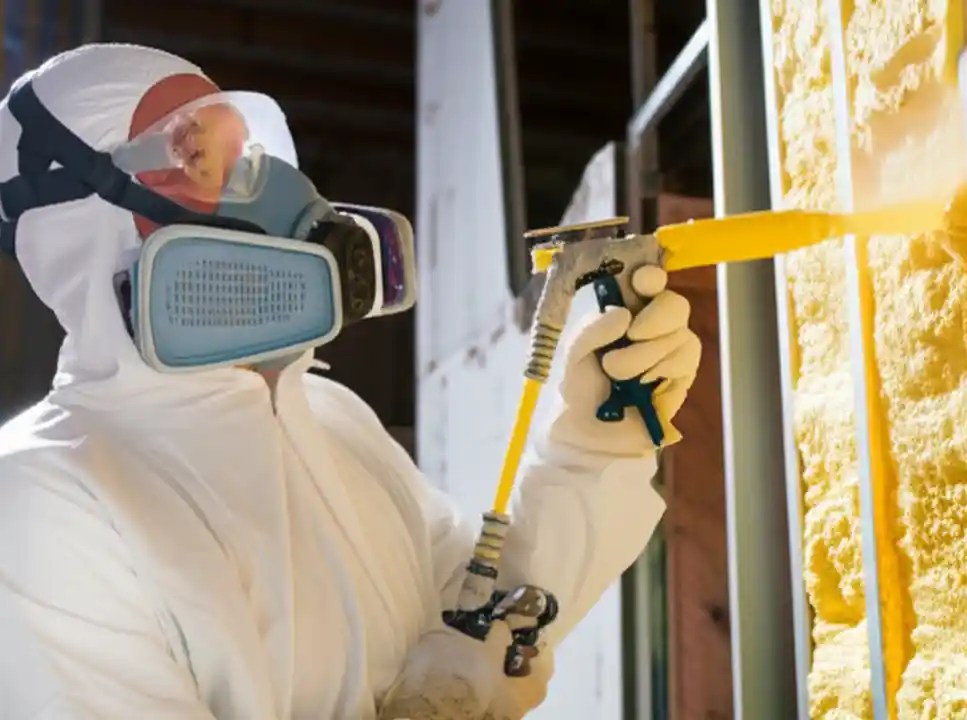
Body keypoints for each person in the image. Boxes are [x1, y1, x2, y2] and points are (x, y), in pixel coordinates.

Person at [0, 44, 701, 720]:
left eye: (247, 150)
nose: (267, 186)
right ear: (82, 221)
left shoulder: (331, 418)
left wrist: (590, 452)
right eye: (195, 152)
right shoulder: (44, 500)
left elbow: (478, 617)